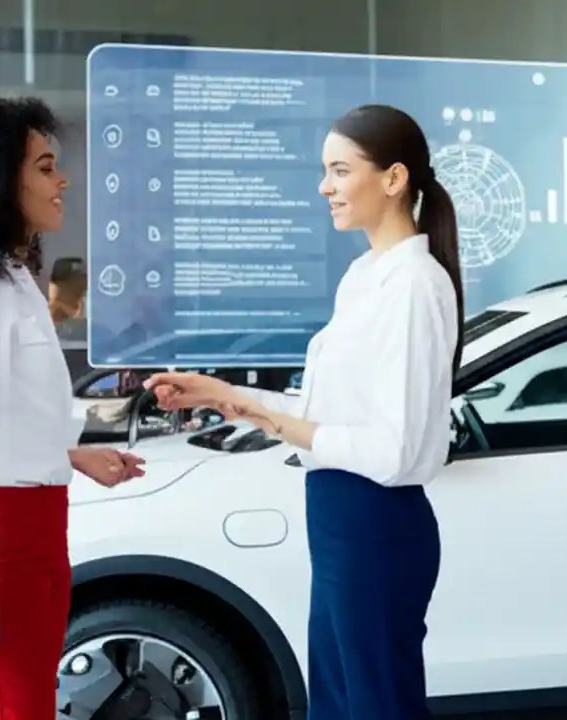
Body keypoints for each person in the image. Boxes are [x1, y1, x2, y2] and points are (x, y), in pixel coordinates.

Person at [145, 104, 464, 719]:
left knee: (375, 706)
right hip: (342, 517)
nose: (325, 187)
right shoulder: (365, 276)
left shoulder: (414, 285)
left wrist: (279, 422)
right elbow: (326, 414)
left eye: (340, 171)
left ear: (393, 179)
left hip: (376, 519)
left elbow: (392, 451)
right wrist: (219, 394)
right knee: (340, 703)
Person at [0, 95, 145, 720]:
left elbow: (2, 419)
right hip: (3, 540)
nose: (62, 178)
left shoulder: (9, 278)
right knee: (12, 706)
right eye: (46, 167)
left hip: (39, 529)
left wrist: (71, 456)